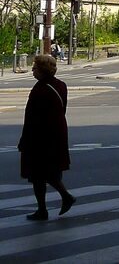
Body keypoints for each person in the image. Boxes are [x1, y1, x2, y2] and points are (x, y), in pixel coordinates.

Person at [18, 54, 76, 220]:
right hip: (57, 132)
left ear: (42, 70)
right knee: (50, 170)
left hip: (40, 136)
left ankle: (46, 207)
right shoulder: (61, 85)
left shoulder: (40, 89)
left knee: (38, 174)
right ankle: (62, 198)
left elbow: (31, 117)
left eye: (35, 67)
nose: (32, 70)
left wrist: (24, 140)